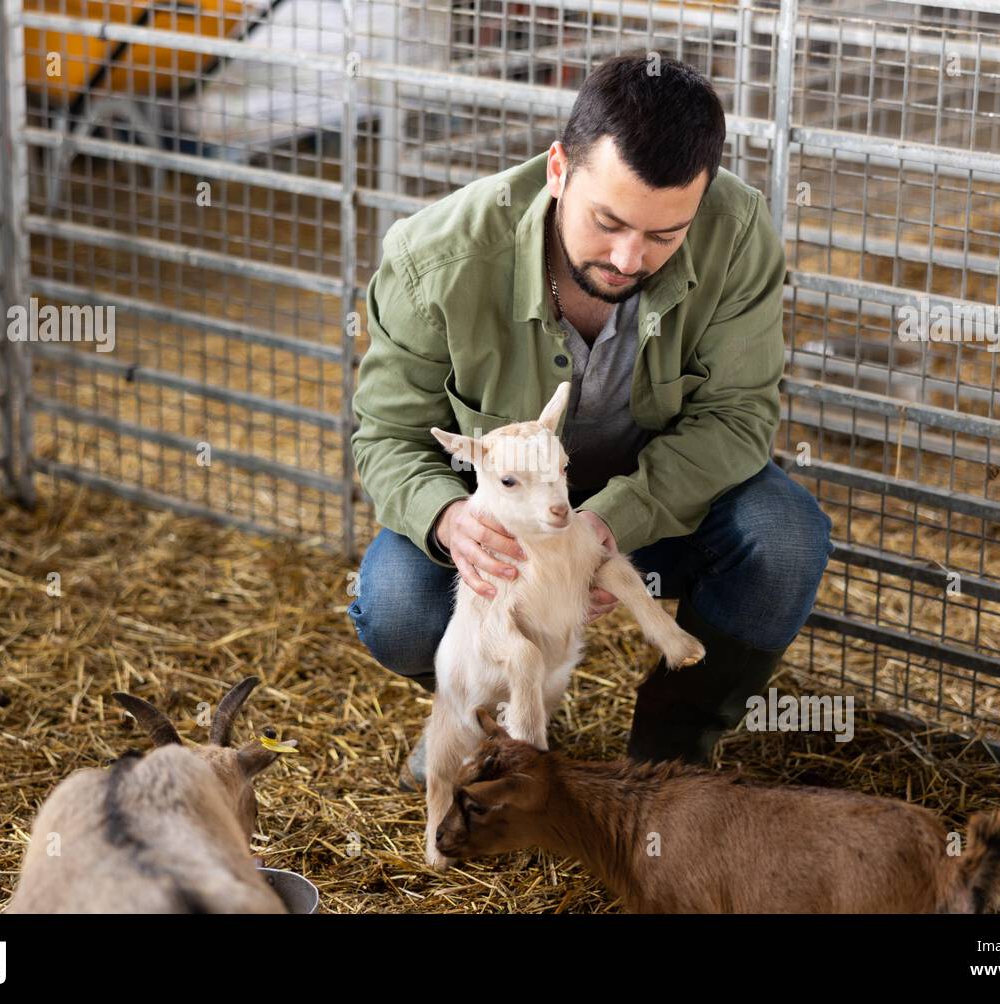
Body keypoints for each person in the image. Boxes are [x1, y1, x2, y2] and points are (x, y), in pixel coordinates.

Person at [347, 53, 834, 788]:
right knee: (395, 605)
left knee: (787, 541)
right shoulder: (433, 258)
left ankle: (671, 750)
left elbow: (738, 417)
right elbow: (385, 437)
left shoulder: (737, 232)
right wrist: (448, 519)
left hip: (659, 508)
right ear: (557, 169)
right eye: (607, 221)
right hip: (503, 525)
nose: (628, 257)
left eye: (666, 235)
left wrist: (609, 524)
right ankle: (476, 723)